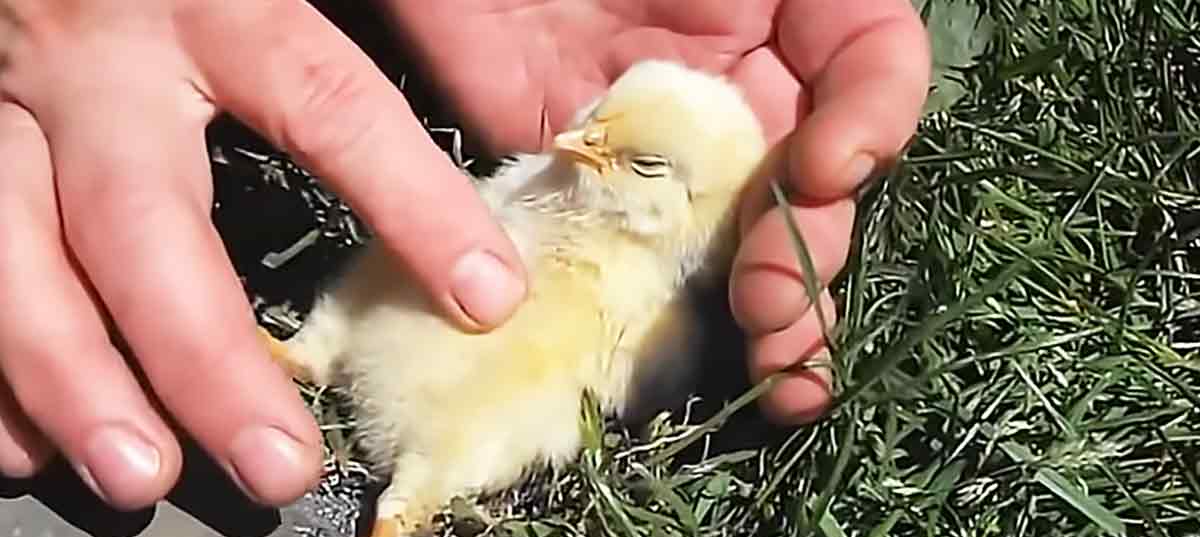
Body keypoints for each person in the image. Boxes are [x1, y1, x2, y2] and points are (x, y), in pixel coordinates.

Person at [0, 1, 930, 511]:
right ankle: (304, 357)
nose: (581, 142)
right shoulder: (559, 192)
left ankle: (393, 514)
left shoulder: (636, 304)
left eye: (631, 155)